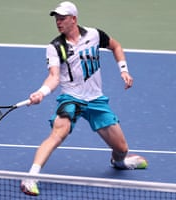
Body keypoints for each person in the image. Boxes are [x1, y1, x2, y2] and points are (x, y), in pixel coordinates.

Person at [21, 1, 148, 196]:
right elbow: (54, 76)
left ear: (74, 19)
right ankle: (30, 177)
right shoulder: (56, 46)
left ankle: (120, 162)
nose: (58, 22)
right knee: (58, 134)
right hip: (72, 98)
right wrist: (42, 92)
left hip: (96, 100)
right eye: (56, 19)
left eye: (62, 18)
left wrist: (124, 70)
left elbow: (116, 46)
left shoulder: (95, 35)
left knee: (122, 148)